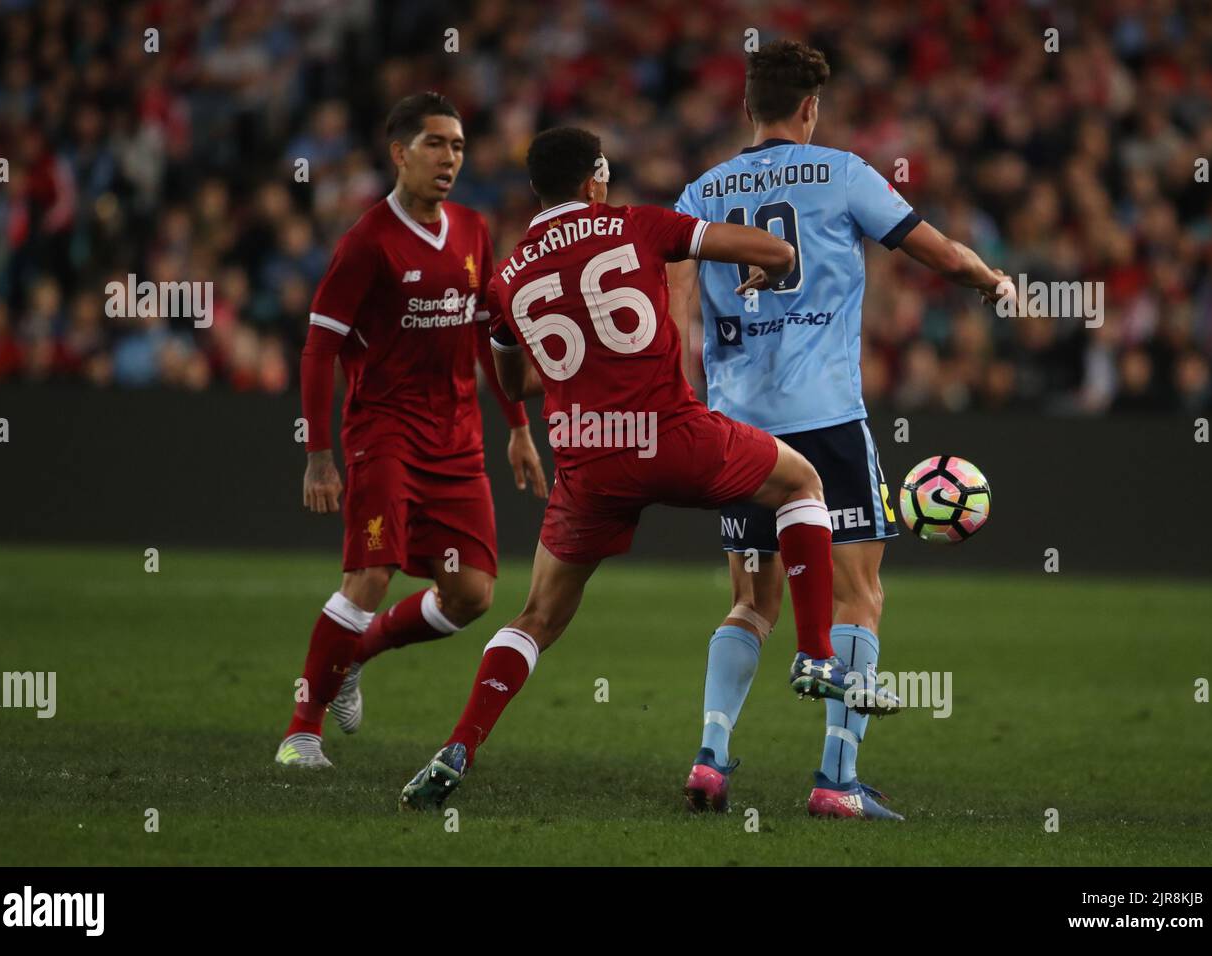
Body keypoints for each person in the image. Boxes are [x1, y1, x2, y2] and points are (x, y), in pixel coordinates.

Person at [399, 126, 869, 810]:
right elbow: (776, 248)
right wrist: (765, 264)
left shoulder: (509, 273)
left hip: (588, 463)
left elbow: (507, 372)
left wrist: (549, 389)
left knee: (536, 618)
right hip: (674, 437)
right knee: (800, 484)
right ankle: (817, 654)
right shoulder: (638, 224)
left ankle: (460, 745)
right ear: (594, 178)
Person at [669, 40, 1010, 819]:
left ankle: (712, 760)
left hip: (737, 427)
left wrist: (686, 392)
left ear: (747, 107)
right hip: (823, 420)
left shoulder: (701, 192)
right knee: (858, 598)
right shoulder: (846, 173)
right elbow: (939, 256)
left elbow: (674, 302)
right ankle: (835, 781)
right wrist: (990, 282)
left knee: (752, 601)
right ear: (810, 108)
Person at [275, 93, 547, 768]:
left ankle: (354, 656)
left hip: (457, 437)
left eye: (457, 145)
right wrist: (317, 454)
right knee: (370, 574)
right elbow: (319, 347)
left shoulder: (473, 231)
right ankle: (300, 732)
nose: (450, 157)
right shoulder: (368, 241)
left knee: (473, 594)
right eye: (436, 144)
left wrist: (516, 425)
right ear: (400, 154)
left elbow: (490, 334)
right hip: (385, 430)